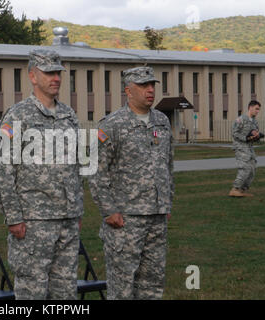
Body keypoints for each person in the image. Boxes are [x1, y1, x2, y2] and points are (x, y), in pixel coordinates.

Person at [0, 49, 84, 300]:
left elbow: (77, 166)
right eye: (49, 73)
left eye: (58, 73)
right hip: (33, 221)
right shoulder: (17, 115)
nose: (56, 78)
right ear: (32, 76)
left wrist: (76, 209)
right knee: (33, 290)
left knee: (65, 292)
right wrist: (13, 217)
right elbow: (2, 170)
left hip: (67, 219)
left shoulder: (69, 115)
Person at [89, 66, 174, 300]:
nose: (150, 90)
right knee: (123, 287)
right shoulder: (112, 124)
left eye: (152, 85)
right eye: (143, 85)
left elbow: (168, 166)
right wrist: (109, 210)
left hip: (156, 217)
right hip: (125, 220)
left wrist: (166, 203)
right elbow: (96, 171)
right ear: (128, 90)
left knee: (153, 284)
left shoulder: (162, 121)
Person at [229, 100, 262, 197]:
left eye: (258, 109)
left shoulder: (255, 122)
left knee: (252, 169)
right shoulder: (241, 119)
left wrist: (257, 137)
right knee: (245, 168)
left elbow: (253, 136)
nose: (257, 111)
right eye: (256, 109)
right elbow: (234, 133)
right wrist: (246, 138)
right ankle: (235, 189)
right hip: (240, 146)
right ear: (250, 108)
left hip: (249, 147)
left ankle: (242, 190)